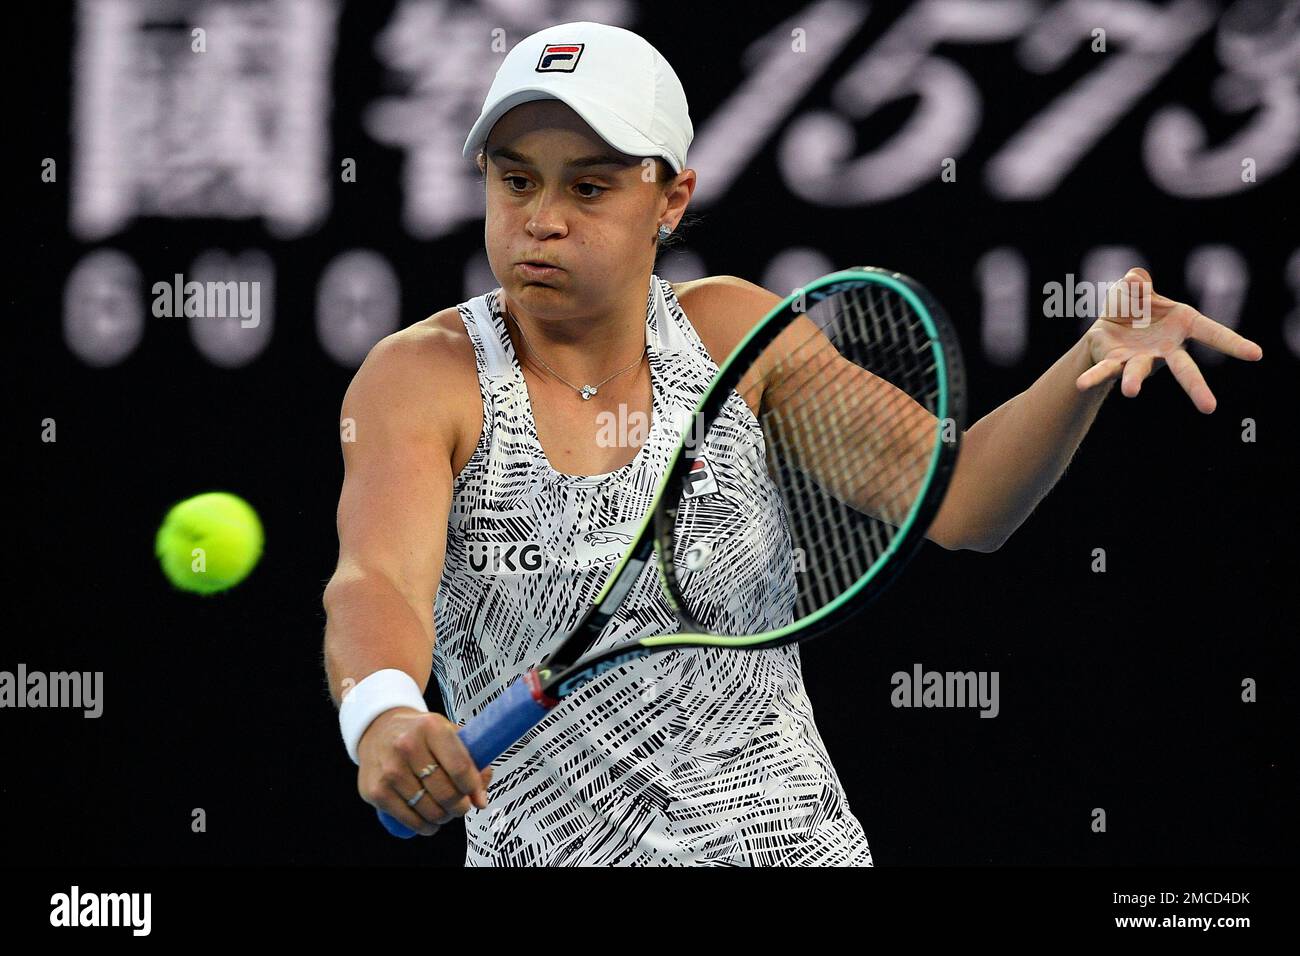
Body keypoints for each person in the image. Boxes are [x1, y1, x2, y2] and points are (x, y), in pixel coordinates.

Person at [323, 21, 878, 865]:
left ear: (671, 199)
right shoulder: (422, 376)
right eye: (516, 182)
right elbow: (377, 581)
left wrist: (1084, 365)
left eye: (588, 190)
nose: (541, 221)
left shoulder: (737, 336)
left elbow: (965, 504)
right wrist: (385, 714)